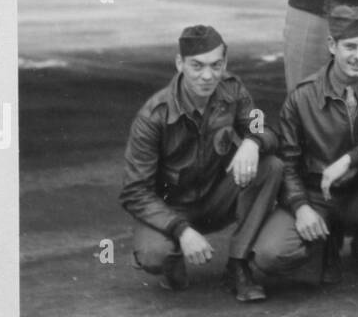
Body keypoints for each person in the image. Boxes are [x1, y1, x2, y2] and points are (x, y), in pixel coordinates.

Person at [252, 7, 358, 300]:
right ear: (332, 46)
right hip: (319, 195)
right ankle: (324, 246)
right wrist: (300, 207)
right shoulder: (302, 97)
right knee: (270, 254)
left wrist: (353, 158)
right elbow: (288, 163)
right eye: (350, 46)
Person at [120, 25, 282, 302]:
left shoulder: (233, 90)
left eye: (216, 65)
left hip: (216, 197)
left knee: (271, 166)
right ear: (179, 63)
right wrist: (181, 230)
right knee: (154, 255)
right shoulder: (153, 115)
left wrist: (253, 142)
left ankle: (238, 264)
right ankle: (172, 261)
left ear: (225, 63)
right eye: (197, 66)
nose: (208, 76)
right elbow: (134, 192)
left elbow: (263, 127)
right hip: (171, 208)